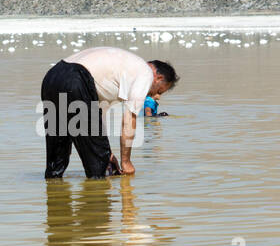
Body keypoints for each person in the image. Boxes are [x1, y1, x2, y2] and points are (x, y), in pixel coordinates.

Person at [41, 46, 178, 179]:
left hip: (53, 76)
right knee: (98, 170)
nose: (157, 96)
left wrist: (108, 154)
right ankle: (97, 198)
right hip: (77, 78)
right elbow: (129, 120)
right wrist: (126, 162)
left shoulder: (122, 71)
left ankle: (54, 191)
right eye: (160, 91)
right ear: (158, 78)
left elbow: (97, 120)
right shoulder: (145, 74)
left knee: (56, 160)